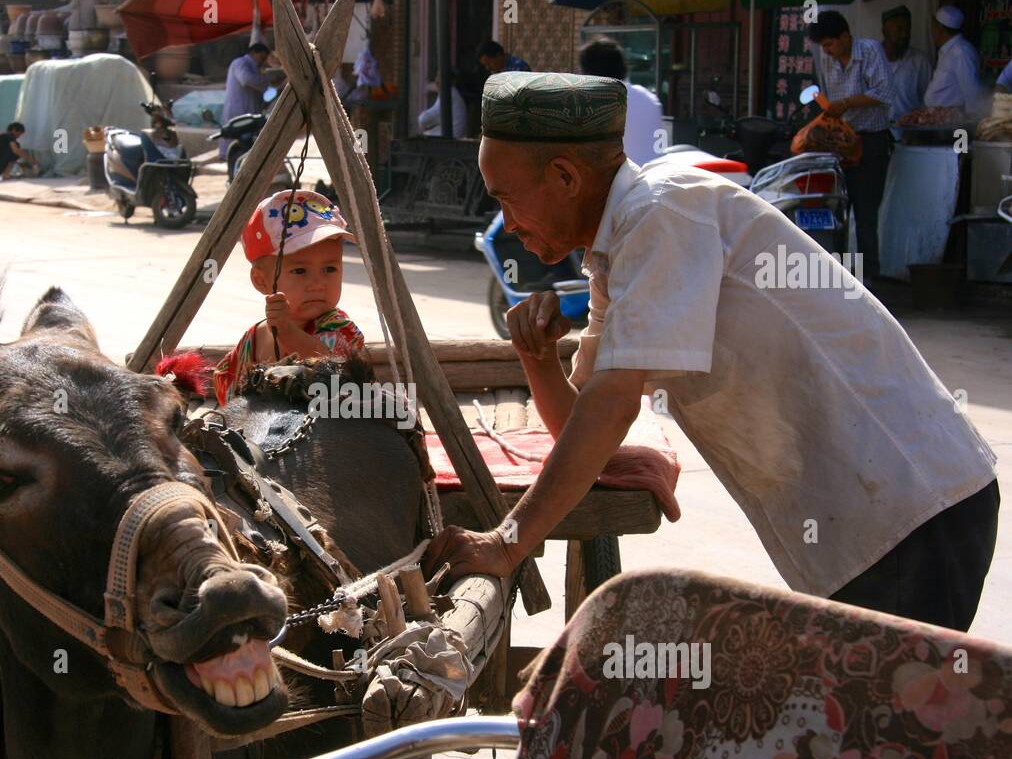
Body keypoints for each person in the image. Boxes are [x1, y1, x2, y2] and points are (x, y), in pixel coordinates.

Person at [423, 71, 999, 632]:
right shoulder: (618, 246)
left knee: (892, 722)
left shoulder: (660, 214)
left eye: (507, 198)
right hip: (873, 524)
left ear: (567, 178)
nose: (508, 222)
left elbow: (610, 409)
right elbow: (586, 422)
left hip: (911, 511)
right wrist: (537, 358)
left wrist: (507, 541)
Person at [212, 190, 366, 404]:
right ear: (261, 281)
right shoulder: (252, 339)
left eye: (330, 269)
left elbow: (334, 368)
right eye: (300, 271)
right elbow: (227, 388)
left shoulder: (338, 327)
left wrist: (287, 331)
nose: (318, 284)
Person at [807, 10, 893, 283]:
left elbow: (883, 93)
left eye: (830, 44)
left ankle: (870, 280)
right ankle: (841, 277)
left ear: (845, 37)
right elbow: (828, 97)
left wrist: (845, 104)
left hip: (871, 140)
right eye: (823, 47)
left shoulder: (870, 52)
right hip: (841, 141)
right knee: (838, 210)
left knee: (866, 212)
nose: (827, 51)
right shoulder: (826, 57)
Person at [577, 36, 663, 167]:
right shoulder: (650, 100)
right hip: (655, 179)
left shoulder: (593, 103)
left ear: (588, 72)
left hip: (620, 183)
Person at [924, 6, 987, 117]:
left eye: (933, 27)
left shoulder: (961, 52)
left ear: (940, 28)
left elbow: (972, 92)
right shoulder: (948, 50)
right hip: (939, 119)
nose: (931, 31)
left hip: (951, 123)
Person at [222, 42, 281, 159]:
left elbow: (263, 91)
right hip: (237, 109)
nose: (261, 61)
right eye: (261, 57)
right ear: (253, 53)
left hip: (250, 111)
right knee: (235, 145)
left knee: (248, 147)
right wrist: (270, 78)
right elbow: (246, 79)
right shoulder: (240, 63)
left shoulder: (256, 68)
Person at [881, 5, 932, 122]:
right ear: (884, 31)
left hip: (909, 133)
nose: (905, 35)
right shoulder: (870, 59)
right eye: (899, 29)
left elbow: (928, 101)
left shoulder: (920, 61)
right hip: (878, 132)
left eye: (908, 29)